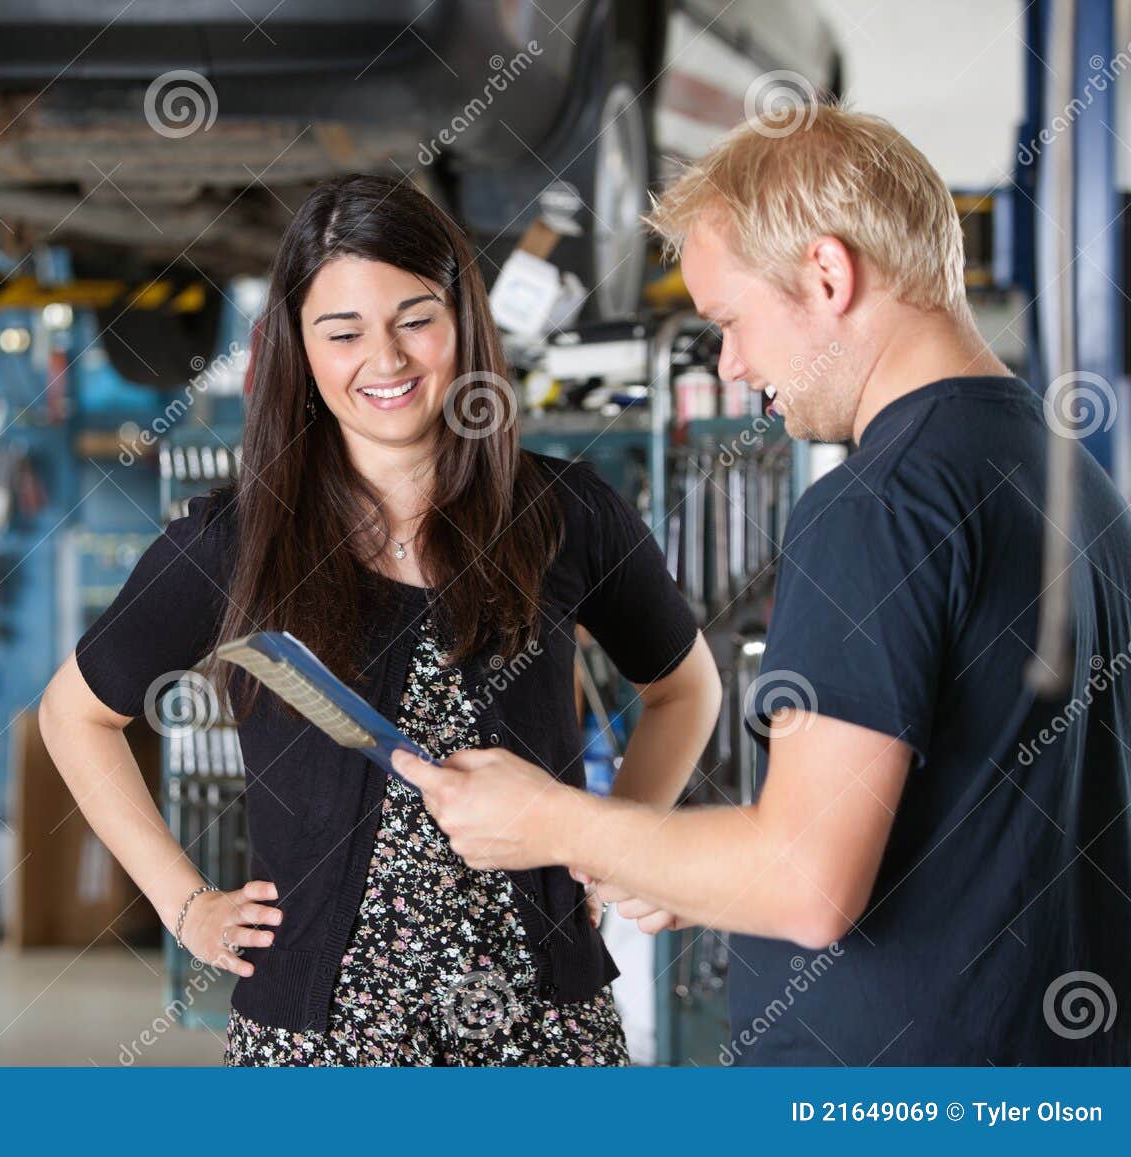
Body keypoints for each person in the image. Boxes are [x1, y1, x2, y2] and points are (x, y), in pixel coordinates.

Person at [397, 104, 1131, 1065]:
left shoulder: (879, 503)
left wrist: (546, 819)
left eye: (731, 321)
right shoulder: (1066, 471)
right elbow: (964, 817)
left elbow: (806, 884)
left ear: (827, 276)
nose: (735, 366)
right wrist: (676, 862)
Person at [39, 172, 721, 1066]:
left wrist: (618, 847)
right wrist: (185, 904)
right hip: (321, 1041)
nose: (387, 360)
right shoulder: (236, 539)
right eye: (344, 331)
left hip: (545, 1029)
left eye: (414, 318)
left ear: (463, 321)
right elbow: (75, 713)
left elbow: (685, 687)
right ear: (300, 349)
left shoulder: (565, 512)